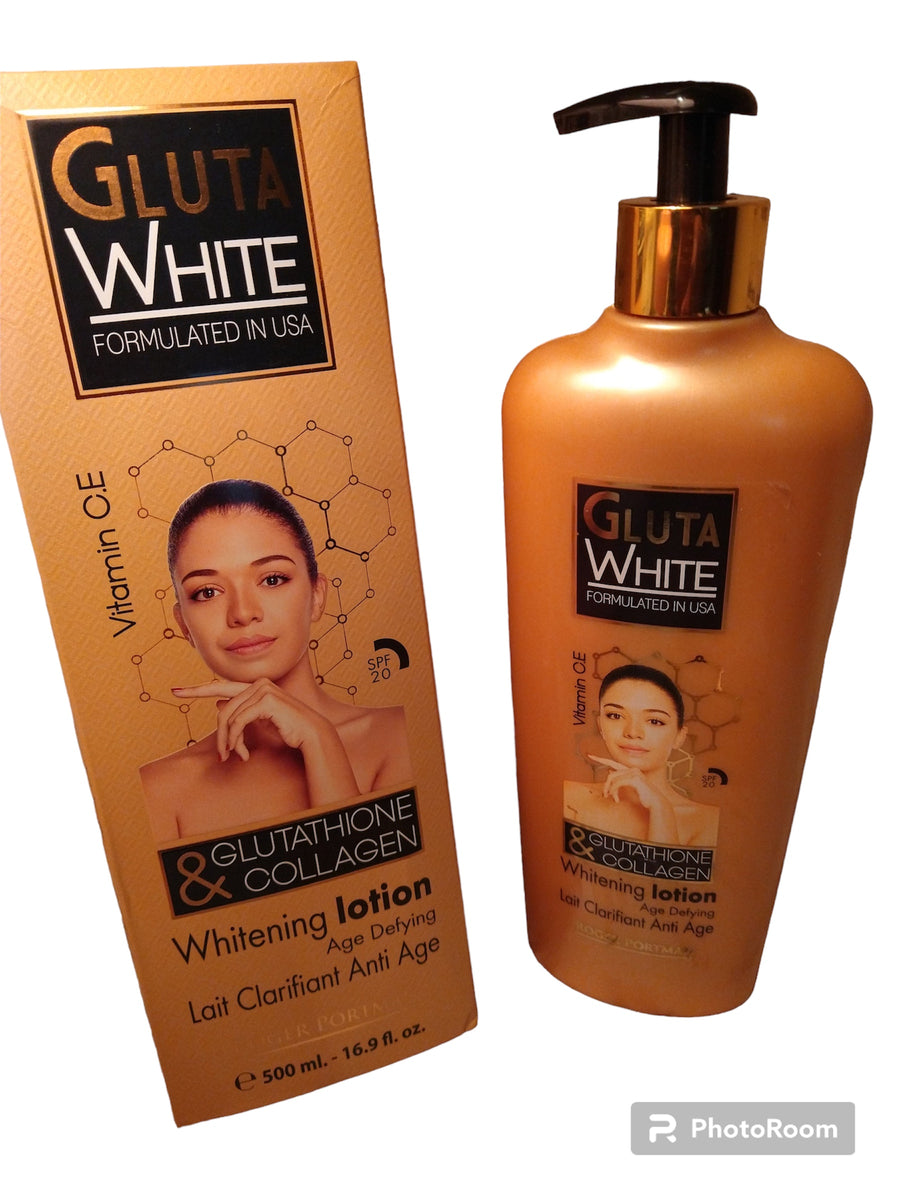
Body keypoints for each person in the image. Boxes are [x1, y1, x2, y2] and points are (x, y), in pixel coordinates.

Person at [140, 479, 412, 842]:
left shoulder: (400, 737)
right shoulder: (158, 791)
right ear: (183, 625)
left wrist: (320, 741)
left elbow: (376, 874)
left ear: (317, 596)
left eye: (271, 579)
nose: (243, 613)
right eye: (207, 592)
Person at [568, 663, 718, 846]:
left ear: (680, 736)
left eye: (654, 721)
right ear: (601, 726)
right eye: (615, 716)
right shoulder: (571, 795)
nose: (633, 732)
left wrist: (661, 810)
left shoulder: (706, 821)